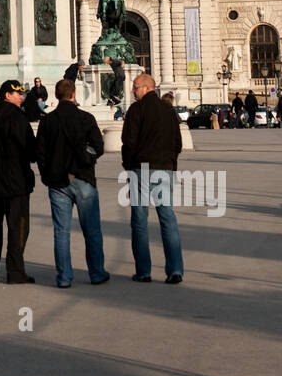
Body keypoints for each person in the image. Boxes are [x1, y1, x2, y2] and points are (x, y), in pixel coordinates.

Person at [36, 78, 108, 288]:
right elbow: (99, 147)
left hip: (58, 181)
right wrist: (87, 159)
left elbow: (39, 152)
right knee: (91, 230)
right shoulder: (86, 118)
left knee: (61, 231)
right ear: (74, 94)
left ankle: (64, 277)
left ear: (56, 96)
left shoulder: (48, 121)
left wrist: (46, 175)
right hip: (83, 178)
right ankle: (96, 273)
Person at [121, 74, 184, 283]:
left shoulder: (136, 110)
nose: (132, 90)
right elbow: (178, 143)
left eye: (135, 87)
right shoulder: (169, 110)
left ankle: (144, 271)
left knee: (139, 220)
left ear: (147, 88)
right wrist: (170, 163)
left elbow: (128, 142)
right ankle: (175, 270)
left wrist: (128, 166)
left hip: (142, 169)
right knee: (167, 218)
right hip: (164, 169)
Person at [0, 80, 37, 284]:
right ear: (7, 95)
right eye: (18, 94)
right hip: (16, 181)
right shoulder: (17, 119)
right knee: (17, 227)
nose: (22, 97)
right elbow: (30, 151)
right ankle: (15, 271)